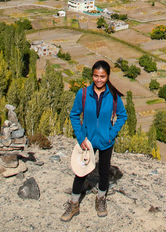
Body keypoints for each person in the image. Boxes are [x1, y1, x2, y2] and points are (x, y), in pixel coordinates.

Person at [62, 60, 128, 221]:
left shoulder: (113, 96)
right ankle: (73, 203)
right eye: (96, 76)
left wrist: (111, 134)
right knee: (81, 172)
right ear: (92, 76)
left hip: (106, 141)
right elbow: (74, 115)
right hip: (87, 141)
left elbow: (122, 116)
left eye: (102, 76)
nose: (99, 79)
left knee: (104, 172)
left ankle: (101, 199)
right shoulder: (83, 94)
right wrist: (81, 137)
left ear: (108, 77)